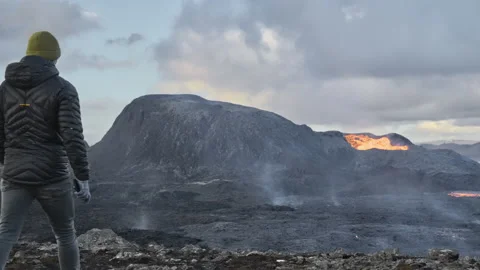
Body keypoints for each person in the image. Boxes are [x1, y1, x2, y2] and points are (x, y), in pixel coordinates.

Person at [0, 31, 91, 269]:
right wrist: (82, 176)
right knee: (64, 234)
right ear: (53, 59)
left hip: (14, 174)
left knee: (6, 233)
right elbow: (72, 135)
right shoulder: (64, 88)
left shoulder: (4, 88)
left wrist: (5, 164)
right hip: (52, 175)